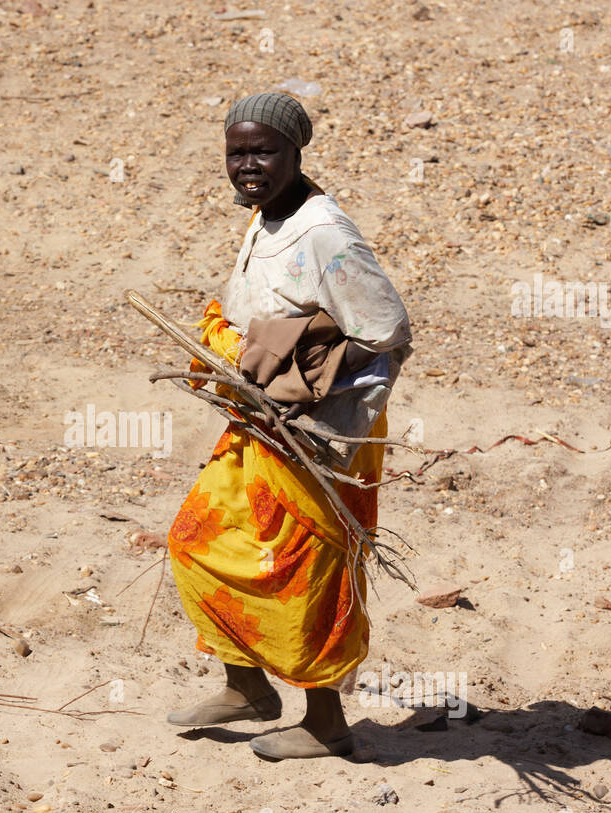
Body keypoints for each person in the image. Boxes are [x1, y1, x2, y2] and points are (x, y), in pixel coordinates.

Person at [165, 92, 413, 760]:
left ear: (296, 153)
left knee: (306, 569)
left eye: (264, 152)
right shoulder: (266, 213)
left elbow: (387, 327)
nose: (248, 165)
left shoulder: (324, 231)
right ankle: (247, 687)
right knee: (196, 539)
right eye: (237, 152)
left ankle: (327, 723)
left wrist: (301, 375)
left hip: (315, 433)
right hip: (261, 419)